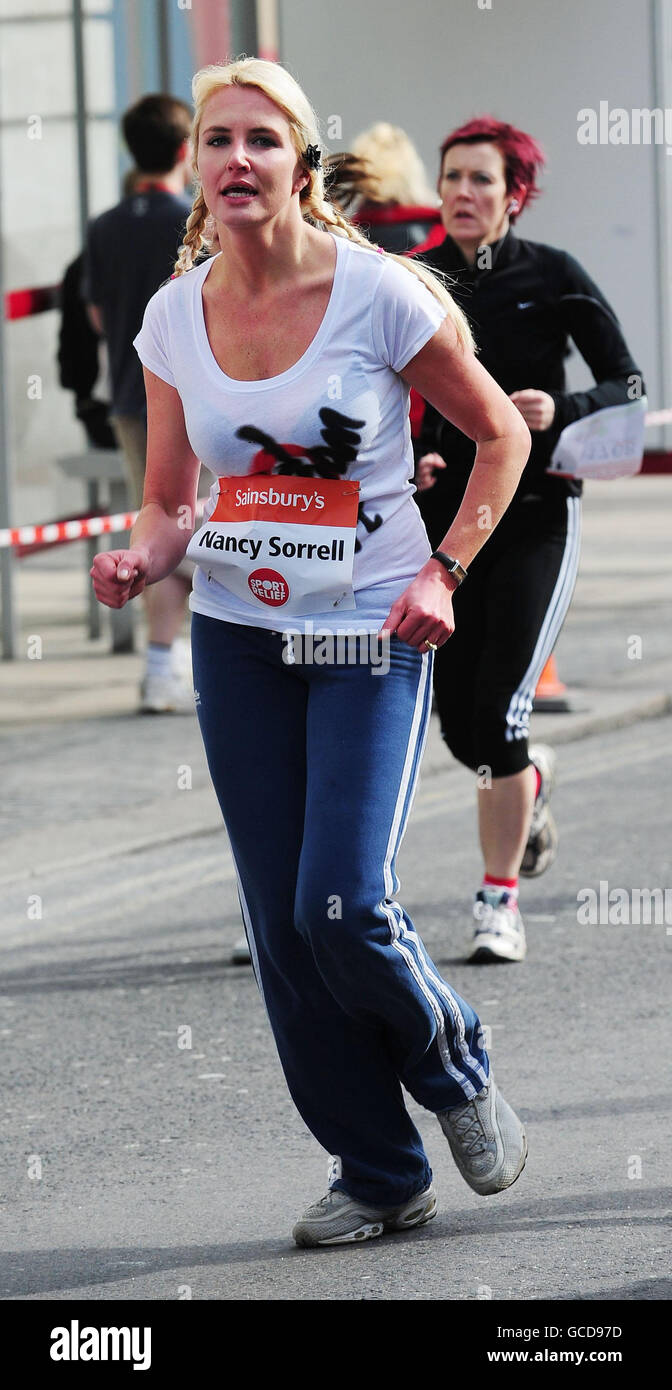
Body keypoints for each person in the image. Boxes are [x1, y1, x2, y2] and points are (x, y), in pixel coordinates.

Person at [91, 58, 532, 1248]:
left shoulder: (382, 295)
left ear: (299, 162)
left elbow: (499, 435)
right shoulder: (173, 315)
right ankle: (379, 1168)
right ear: (198, 170)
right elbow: (173, 498)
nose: (238, 159)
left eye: (262, 140)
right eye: (217, 140)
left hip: (370, 625)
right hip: (241, 633)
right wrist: (145, 559)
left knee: (340, 902)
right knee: (281, 929)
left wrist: (445, 571)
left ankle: (455, 1064)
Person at [413, 116, 643, 964]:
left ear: (515, 196)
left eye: (481, 181)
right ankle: (529, 783)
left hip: (538, 510)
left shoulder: (553, 275)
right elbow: (383, 392)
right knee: (460, 731)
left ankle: (496, 899)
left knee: (501, 714)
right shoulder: (417, 278)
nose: (464, 194)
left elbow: (629, 380)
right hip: (446, 523)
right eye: (452, 179)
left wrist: (565, 408)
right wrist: (416, 453)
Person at [84, 95, 197, 712]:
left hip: (132, 397)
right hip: (198, 397)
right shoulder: (196, 223)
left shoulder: (105, 225)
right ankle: (176, 661)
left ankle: (163, 664)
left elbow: (100, 316)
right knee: (198, 526)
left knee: (154, 519)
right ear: (186, 150)